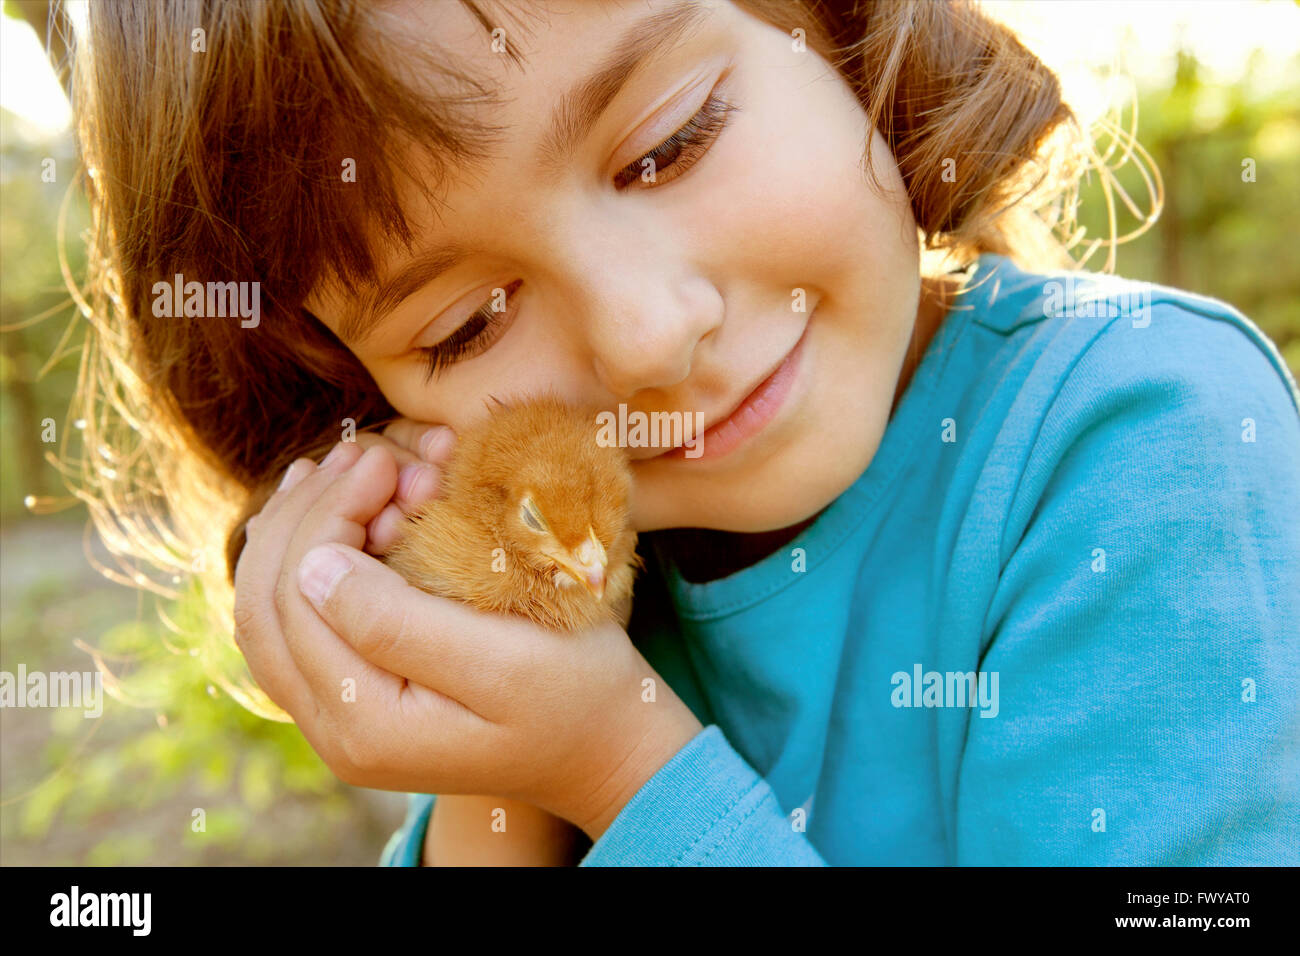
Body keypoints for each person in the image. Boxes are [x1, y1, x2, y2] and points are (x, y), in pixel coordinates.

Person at [68, 0, 1300, 866]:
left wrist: (616, 764)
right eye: (470, 321)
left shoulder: (1141, 435)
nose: (649, 336)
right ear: (364, 407)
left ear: (828, 20)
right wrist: (497, 754)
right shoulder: (570, 581)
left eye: (671, 144)